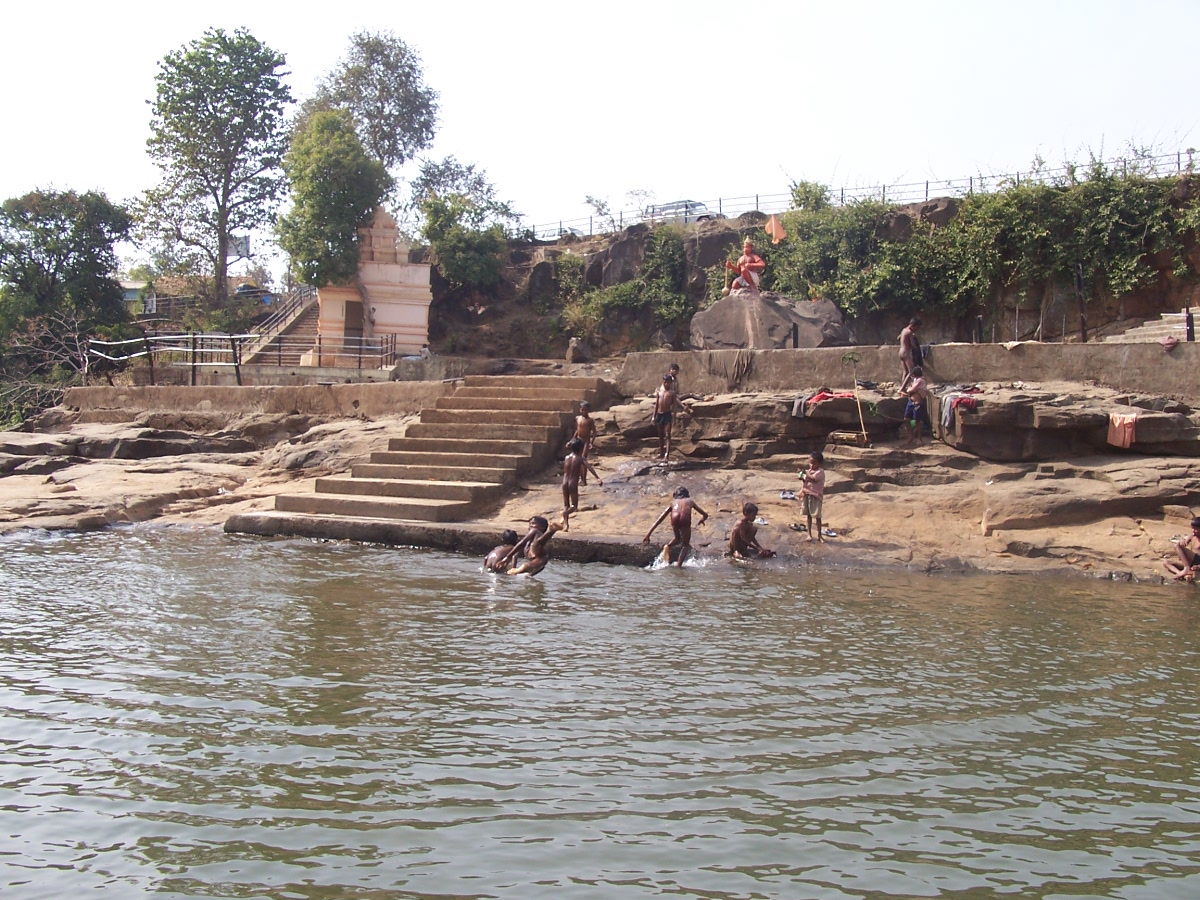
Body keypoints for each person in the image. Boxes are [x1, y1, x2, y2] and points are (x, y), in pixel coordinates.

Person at [643, 486, 709, 566]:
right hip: (685, 518)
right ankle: (678, 566)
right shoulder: (689, 501)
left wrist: (648, 534)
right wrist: (702, 519)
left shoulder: (673, 502)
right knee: (685, 544)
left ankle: (667, 547)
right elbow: (705, 514)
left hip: (674, 517)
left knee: (677, 538)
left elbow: (660, 519)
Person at [561, 437, 602, 532]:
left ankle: (566, 525)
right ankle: (565, 514)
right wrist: (597, 478)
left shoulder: (567, 458)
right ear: (581, 449)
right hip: (572, 483)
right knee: (574, 506)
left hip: (564, 483)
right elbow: (589, 467)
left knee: (566, 504)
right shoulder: (580, 458)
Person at [652, 374, 688, 461]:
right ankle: (661, 453)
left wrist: (674, 418)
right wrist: (653, 416)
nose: (666, 384)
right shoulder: (659, 393)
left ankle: (667, 455)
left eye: (668, 382)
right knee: (660, 435)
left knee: (667, 435)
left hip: (667, 414)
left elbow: (675, 406)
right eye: (664, 382)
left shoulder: (672, 393)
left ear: (671, 383)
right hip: (659, 415)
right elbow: (656, 405)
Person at [796, 451, 826, 542]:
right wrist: (802, 477)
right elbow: (806, 481)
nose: (811, 465)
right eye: (810, 463)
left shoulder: (820, 472)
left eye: (814, 463)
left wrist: (805, 473)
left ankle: (819, 535)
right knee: (808, 515)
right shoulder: (809, 471)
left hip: (816, 496)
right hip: (807, 494)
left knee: (817, 516)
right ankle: (809, 534)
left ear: (819, 463)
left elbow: (813, 478)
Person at [569, 400, 598, 482]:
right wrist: (572, 440)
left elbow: (594, 432)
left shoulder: (590, 420)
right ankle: (578, 477)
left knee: (583, 459)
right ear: (580, 410)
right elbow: (577, 430)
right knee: (576, 459)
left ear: (588, 410)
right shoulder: (577, 418)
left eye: (585, 410)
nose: (584, 411)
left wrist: (591, 443)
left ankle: (584, 480)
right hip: (578, 440)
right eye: (582, 409)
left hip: (586, 441)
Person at [901, 366, 930, 446]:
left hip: (917, 403)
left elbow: (911, 390)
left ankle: (919, 439)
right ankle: (911, 436)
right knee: (906, 419)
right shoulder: (915, 380)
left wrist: (908, 389)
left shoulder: (920, 380)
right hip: (911, 402)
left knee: (918, 421)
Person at [1164, 516, 1200, 582]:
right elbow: (1185, 542)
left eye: (1196, 529)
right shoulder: (1192, 535)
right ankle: (1182, 574)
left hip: (1198, 560)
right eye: (1192, 528)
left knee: (1177, 546)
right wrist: (1183, 541)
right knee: (1166, 562)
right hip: (1190, 562)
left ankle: (1186, 569)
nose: (1193, 531)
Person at [898, 317, 922, 389]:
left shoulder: (904, 330)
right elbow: (913, 345)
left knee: (905, 372)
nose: (917, 330)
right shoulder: (910, 332)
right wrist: (914, 340)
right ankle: (902, 389)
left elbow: (898, 338)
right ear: (913, 325)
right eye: (917, 328)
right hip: (906, 353)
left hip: (901, 352)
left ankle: (903, 388)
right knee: (911, 371)